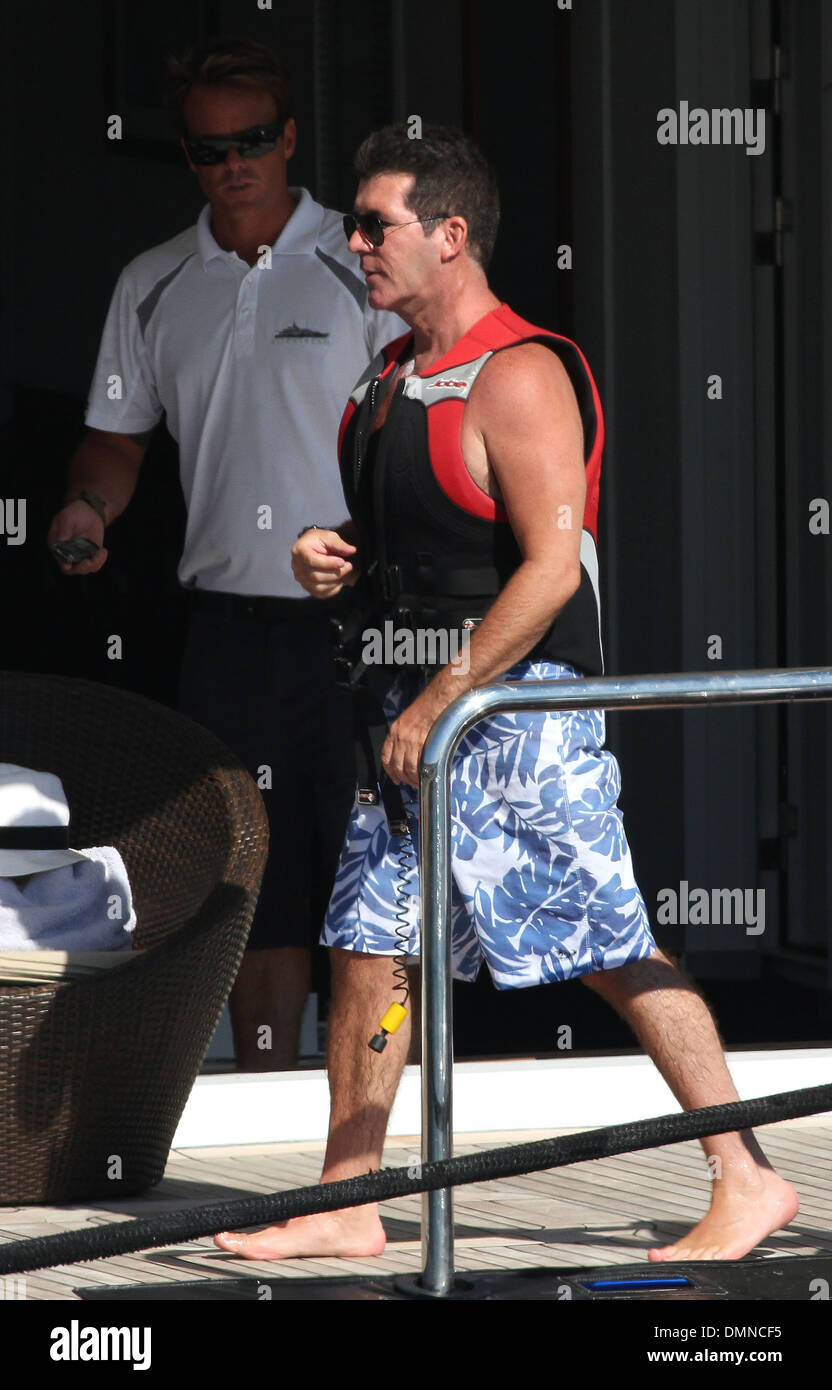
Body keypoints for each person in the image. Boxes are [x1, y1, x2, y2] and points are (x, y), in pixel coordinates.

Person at [213, 123, 799, 1261]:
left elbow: (548, 562)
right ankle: (347, 1195)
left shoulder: (520, 372)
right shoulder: (389, 375)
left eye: (374, 224)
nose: (356, 244)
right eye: (352, 224)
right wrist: (328, 555)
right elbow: (419, 545)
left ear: (450, 232)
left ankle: (747, 1172)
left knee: (605, 936)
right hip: (407, 712)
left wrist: (444, 698)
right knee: (368, 942)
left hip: (510, 710)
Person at [46, 39, 404, 1070]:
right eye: (209, 151)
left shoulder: (362, 259)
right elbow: (118, 439)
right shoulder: (155, 281)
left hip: (357, 626)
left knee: (368, 889)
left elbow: (423, 412)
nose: (232, 164)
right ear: (189, 158)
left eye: (252, 141)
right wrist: (84, 508)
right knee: (252, 890)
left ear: (290, 139)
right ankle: (272, 1104)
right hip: (228, 638)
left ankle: (373, 1131)